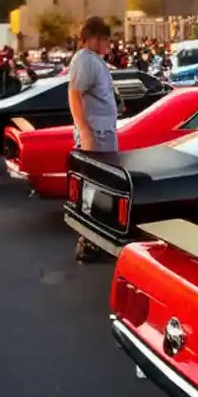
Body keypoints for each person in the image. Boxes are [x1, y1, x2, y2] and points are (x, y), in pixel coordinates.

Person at [68, 17, 120, 262]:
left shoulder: (94, 61)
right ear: (94, 38)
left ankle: (95, 241)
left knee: (100, 189)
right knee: (92, 189)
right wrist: (85, 131)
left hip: (102, 132)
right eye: (107, 39)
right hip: (95, 135)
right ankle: (87, 243)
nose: (109, 44)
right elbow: (74, 95)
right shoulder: (84, 60)